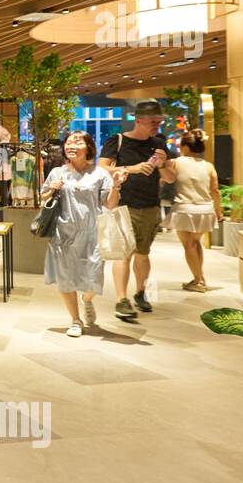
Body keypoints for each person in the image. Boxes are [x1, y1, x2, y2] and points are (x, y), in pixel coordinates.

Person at [98, 100, 176, 321]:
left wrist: (162, 164)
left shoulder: (159, 144)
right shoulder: (119, 141)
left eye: (159, 121)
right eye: (153, 121)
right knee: (123, 254)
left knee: (143, 254)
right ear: (138, 120)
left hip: (150, 205)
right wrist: (131, 169)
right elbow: (102, 169)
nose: (157, 125)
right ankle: (121, 300)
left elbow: (170, 178)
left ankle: (140, 293)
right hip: (124, 205)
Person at [42, 131, 123, 337]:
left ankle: (87, 300)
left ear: (88, 147)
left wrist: (116, 185)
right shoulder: (57, 172)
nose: (71, 145)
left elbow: (110, 204)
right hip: (64, 233)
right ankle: (75, 320)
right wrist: (51, 189)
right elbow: (43, 198)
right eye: (68, 142)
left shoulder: (100, 173)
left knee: (94, 276)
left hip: (92, 232)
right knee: (65, 278)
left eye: (77, 142)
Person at [168, 129, 222, 291]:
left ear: (185, 147)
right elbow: (215, 190)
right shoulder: (208, 166)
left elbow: (166, 180)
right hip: (205, 210)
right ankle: (199, 277)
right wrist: (219, 211)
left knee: (189, 245)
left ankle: (198, 281)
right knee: (195, 242)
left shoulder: (176, 162)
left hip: (184, 209)